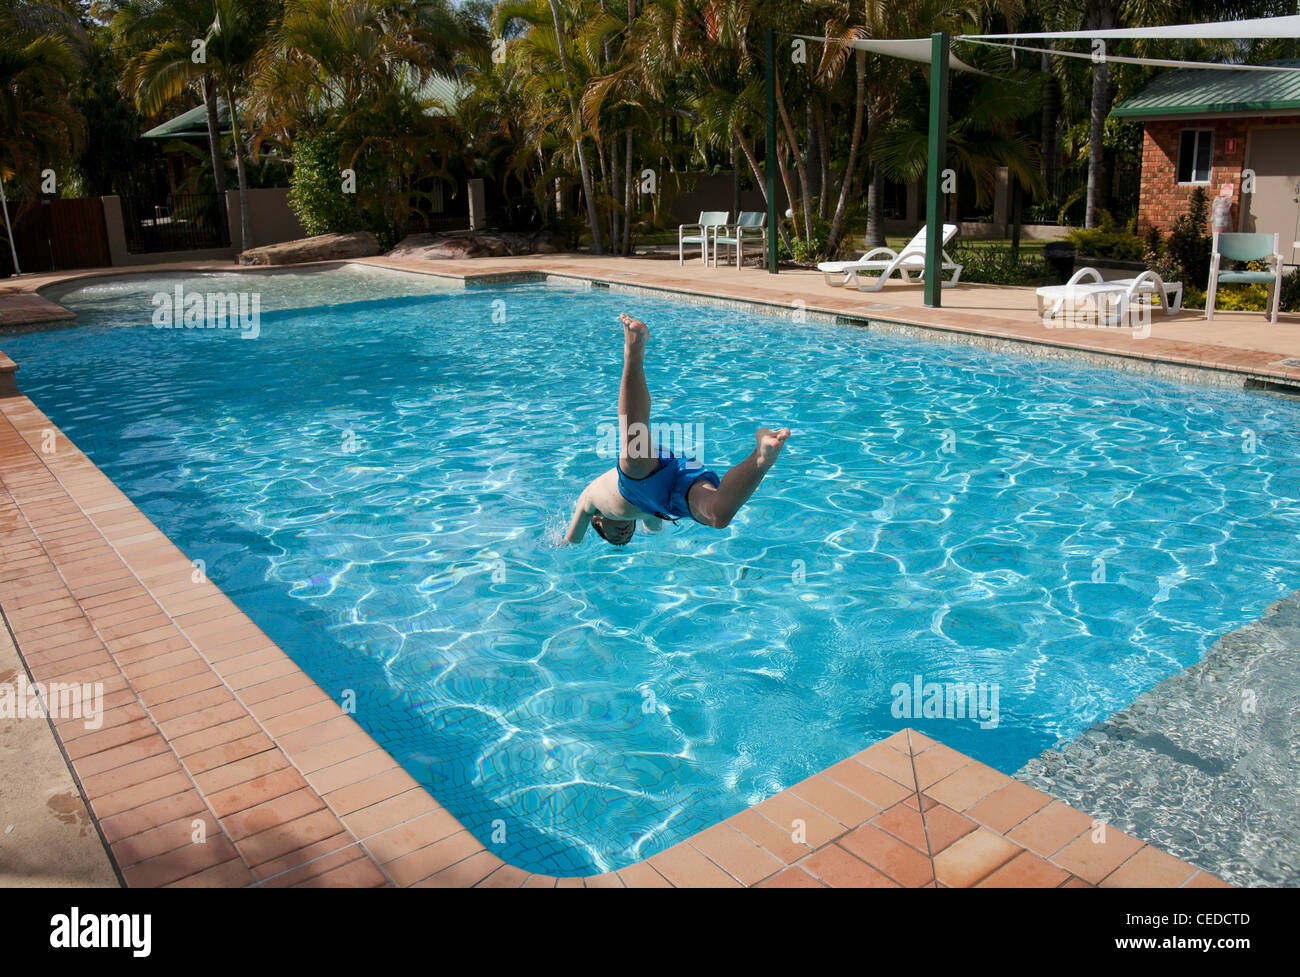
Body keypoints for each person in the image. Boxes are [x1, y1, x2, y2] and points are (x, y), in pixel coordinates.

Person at [564, 313, 790, 546]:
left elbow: (570, 542)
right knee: (718, 515)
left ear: (599, 523)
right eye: (627, 535)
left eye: (612, 534)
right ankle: (761, 458)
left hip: (636, 483)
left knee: (634, 450)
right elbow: (656, 536)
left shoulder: (589, 503)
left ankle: (633, 352)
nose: (622, 534)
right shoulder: (649, 517)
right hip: (668, 493)